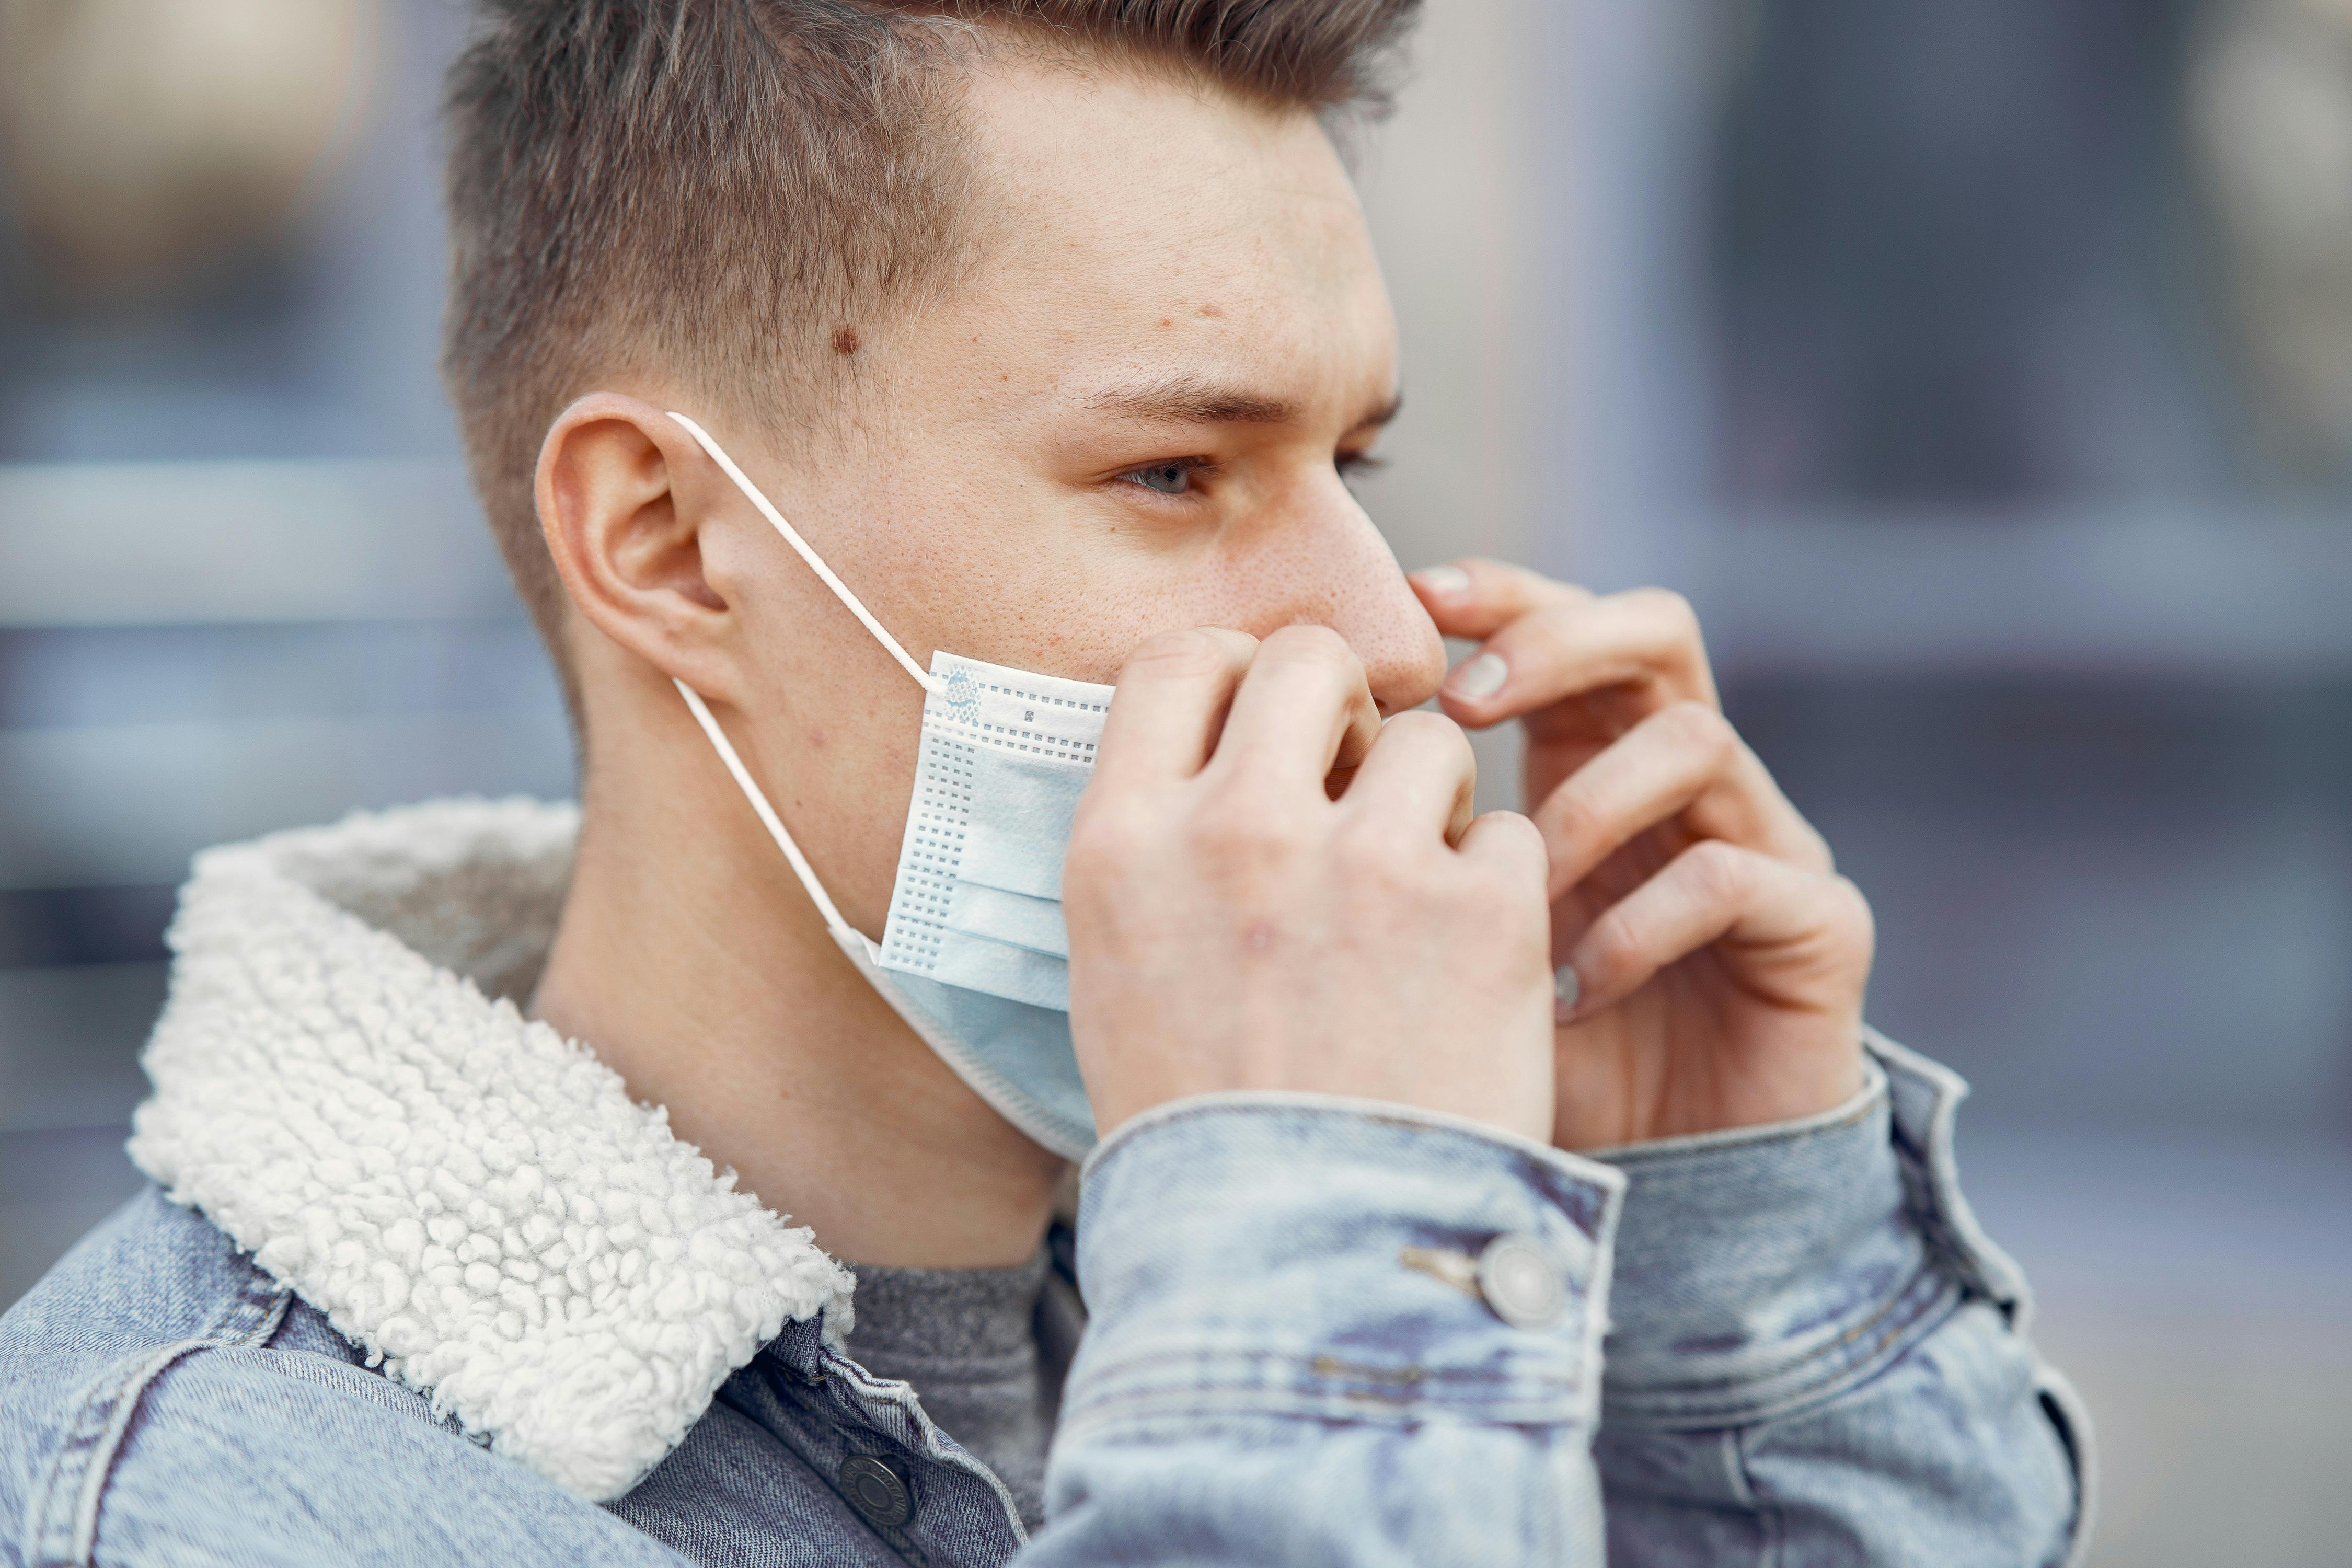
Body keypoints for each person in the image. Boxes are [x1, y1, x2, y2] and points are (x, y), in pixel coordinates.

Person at [0, 3, 2090, 1563]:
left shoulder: (1340, 1239)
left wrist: (1728, 1285)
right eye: (1175, 471)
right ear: (668, 546)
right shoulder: (223, 1496)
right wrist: (1327, 1219)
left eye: (1352, 460)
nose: (1386, 635)